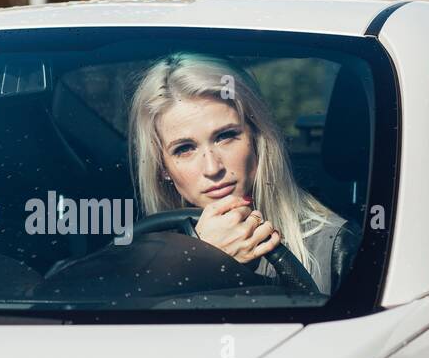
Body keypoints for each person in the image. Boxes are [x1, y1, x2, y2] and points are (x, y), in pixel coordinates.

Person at [127, 53, 358, 295]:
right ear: (163, 168)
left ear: (257, 137)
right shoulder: (137, 260)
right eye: (184, 149)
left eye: (225, 136)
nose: (212, 168)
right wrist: (199, 262)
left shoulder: (333, 246)